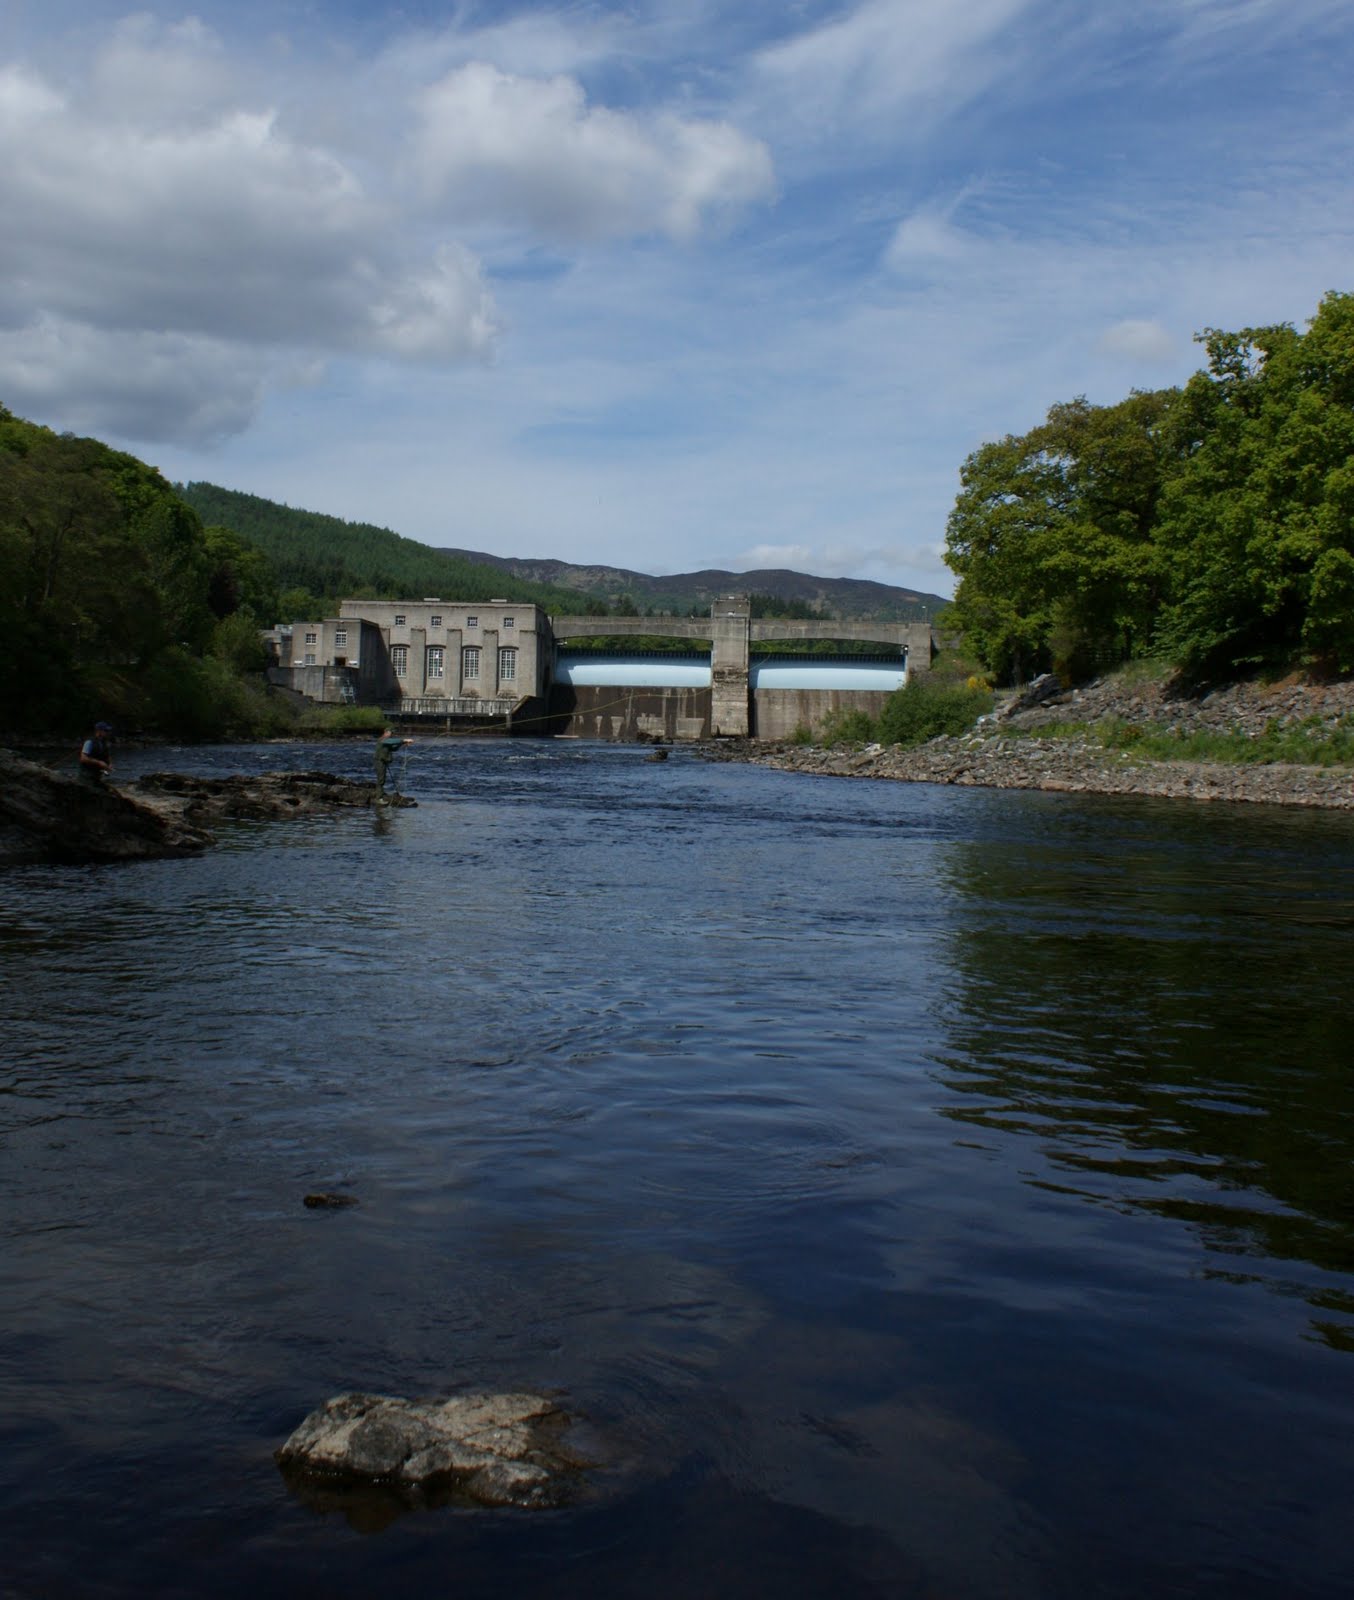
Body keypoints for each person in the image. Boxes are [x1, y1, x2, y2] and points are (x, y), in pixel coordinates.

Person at [374, 726, 412, 794]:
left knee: (382, 779)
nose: (392, 734)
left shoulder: (386, 741)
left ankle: (380, 795)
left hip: (383, 762)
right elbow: (392, 741)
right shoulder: (383, 740)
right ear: (387, 733)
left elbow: (394, 748)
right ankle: (379, 798)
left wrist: (402, 743)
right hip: (379, 762)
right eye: (391, 733)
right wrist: (404, 740)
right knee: (381, 780)